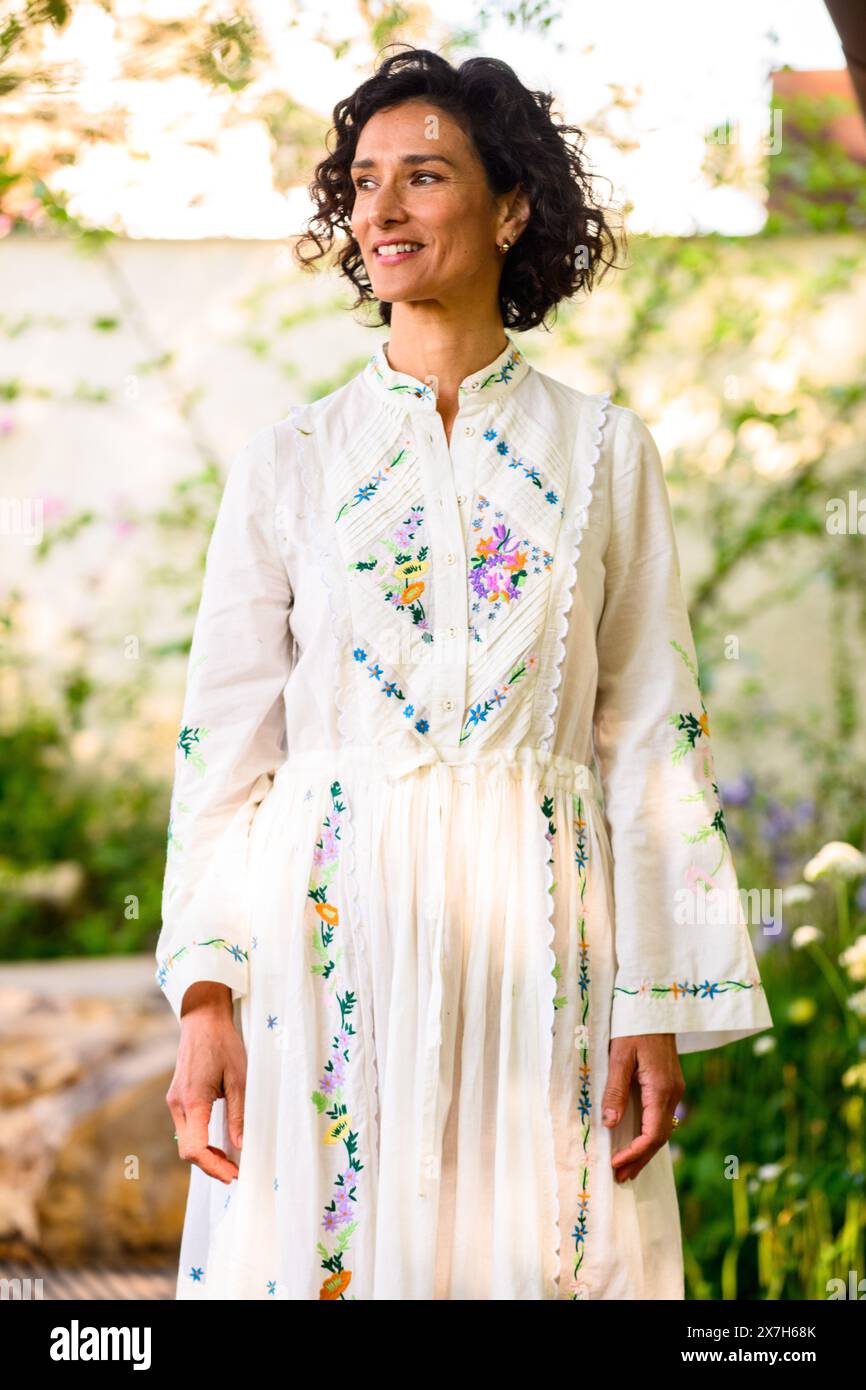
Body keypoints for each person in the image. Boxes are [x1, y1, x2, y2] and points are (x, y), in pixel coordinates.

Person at [155, 45, 773, 1301]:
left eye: (422, 176)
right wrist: (205, 990)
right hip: (326, 939)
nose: (379, 210)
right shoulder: (289, 459)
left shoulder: (604, 454)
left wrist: (650, 996)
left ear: (509, 208)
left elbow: (652, 735)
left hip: (548, 940)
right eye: (363, 181)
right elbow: (225, 743)